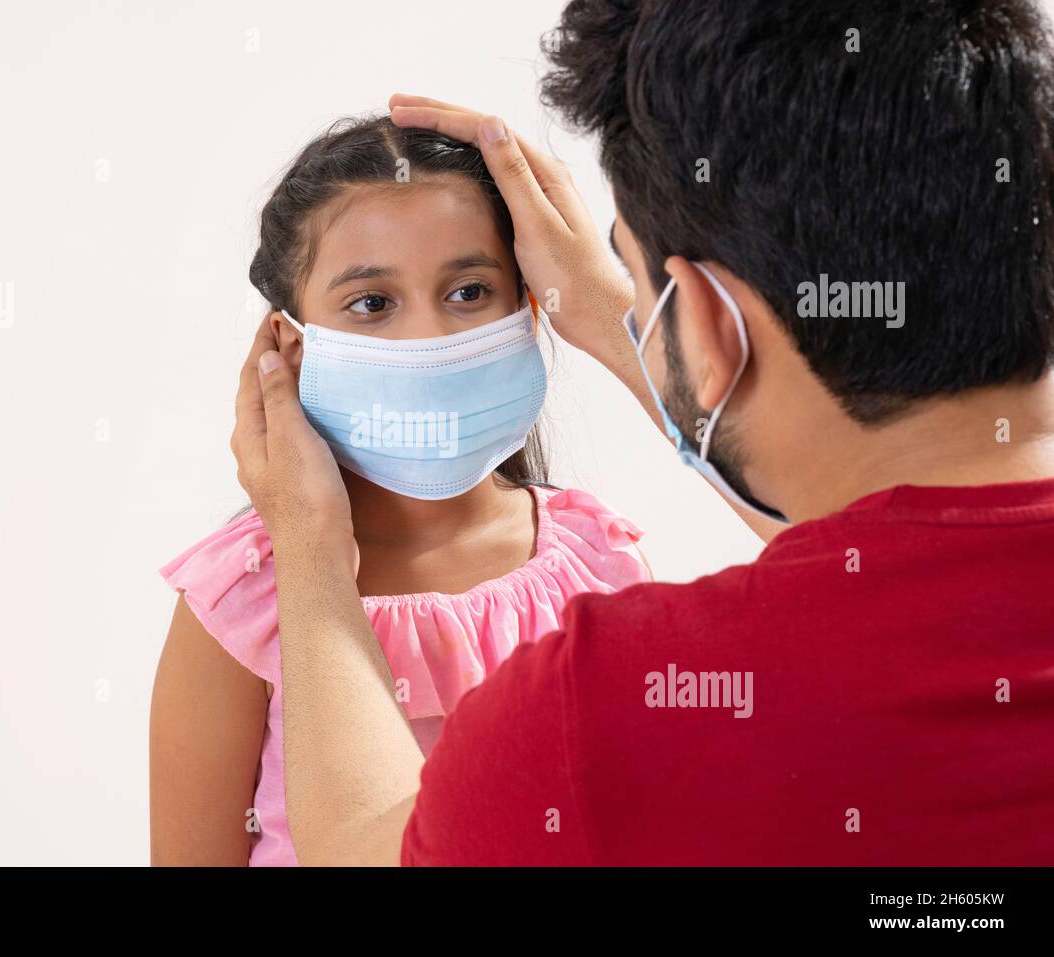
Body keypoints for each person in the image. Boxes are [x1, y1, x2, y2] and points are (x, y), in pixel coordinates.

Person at [230, 0, 1054, 865]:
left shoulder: (601, 715)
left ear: (702, 319)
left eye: (636, 282)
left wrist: (313, 551)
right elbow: (897, 571)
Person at [149, 115, 650, 865]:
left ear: (532, 305)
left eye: (470, 290)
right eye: (372, 304)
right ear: (289, 341)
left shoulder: (598, 563)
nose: (429, 339)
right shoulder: (241, 604)